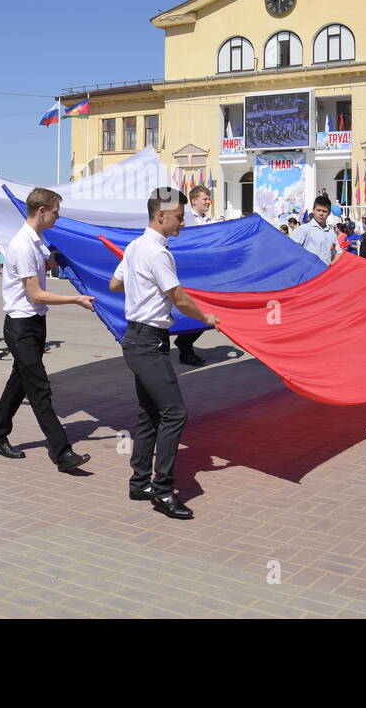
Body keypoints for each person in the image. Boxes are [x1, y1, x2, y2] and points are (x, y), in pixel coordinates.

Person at [109, 187, 220, 520]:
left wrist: (140, 284)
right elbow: (178, 297)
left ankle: (140, 481)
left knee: (151, 414)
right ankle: (162, 490)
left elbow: (115, 285)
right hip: (148, 342)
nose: (182, 223)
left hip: (138, 339)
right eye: (179, 217)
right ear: (161, 215)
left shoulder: (134, 247)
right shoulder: (157, 252)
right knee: (175, 413)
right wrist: (207, 318)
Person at [0, 187, 94, 471]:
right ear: (42, 211)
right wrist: (76, 299)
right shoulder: (22, 245)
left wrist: (61, 257)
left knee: (18, 383)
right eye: (56, 211)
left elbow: (46, 262)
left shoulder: (37, 240)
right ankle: (62, 452)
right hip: (21, 326)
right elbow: (36, 295)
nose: (58, 216)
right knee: (39, 389)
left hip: (34, 323)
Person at [173, 184, 218, 366]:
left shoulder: (208, 221)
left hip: (204, 275)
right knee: (188, 310)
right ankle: (184, 348)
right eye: (205, 199)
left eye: (208, 198)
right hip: (186, 274)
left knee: (205, 311)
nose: (208, 202)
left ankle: (184, 343)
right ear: (194, 201)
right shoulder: (185, 220)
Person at [294, 195, 336, 266]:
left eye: (324, 211)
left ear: (329, 213)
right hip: (309, 273)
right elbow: (293, 250)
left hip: (327, 273)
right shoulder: (303, 229)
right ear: (313, 210)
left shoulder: (332, 232)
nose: (321, 213)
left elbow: (337, 254)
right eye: (318, 210)